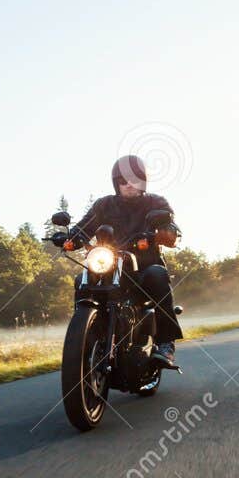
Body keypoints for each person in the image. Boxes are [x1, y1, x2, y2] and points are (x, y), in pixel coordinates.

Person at [66, 155, 181, 365]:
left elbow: (172, 227)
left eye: (134, 180)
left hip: (143, 267)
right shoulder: (104, 205)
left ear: (143, 181)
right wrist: (70, 238)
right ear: (116, 183)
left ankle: (166, 343)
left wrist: (165, 233)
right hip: (108, 266)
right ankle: (83, 341)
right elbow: (84, 227)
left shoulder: (155, 202)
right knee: (80, 281)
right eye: (123, 181)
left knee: (157, 274)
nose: (128, 185)